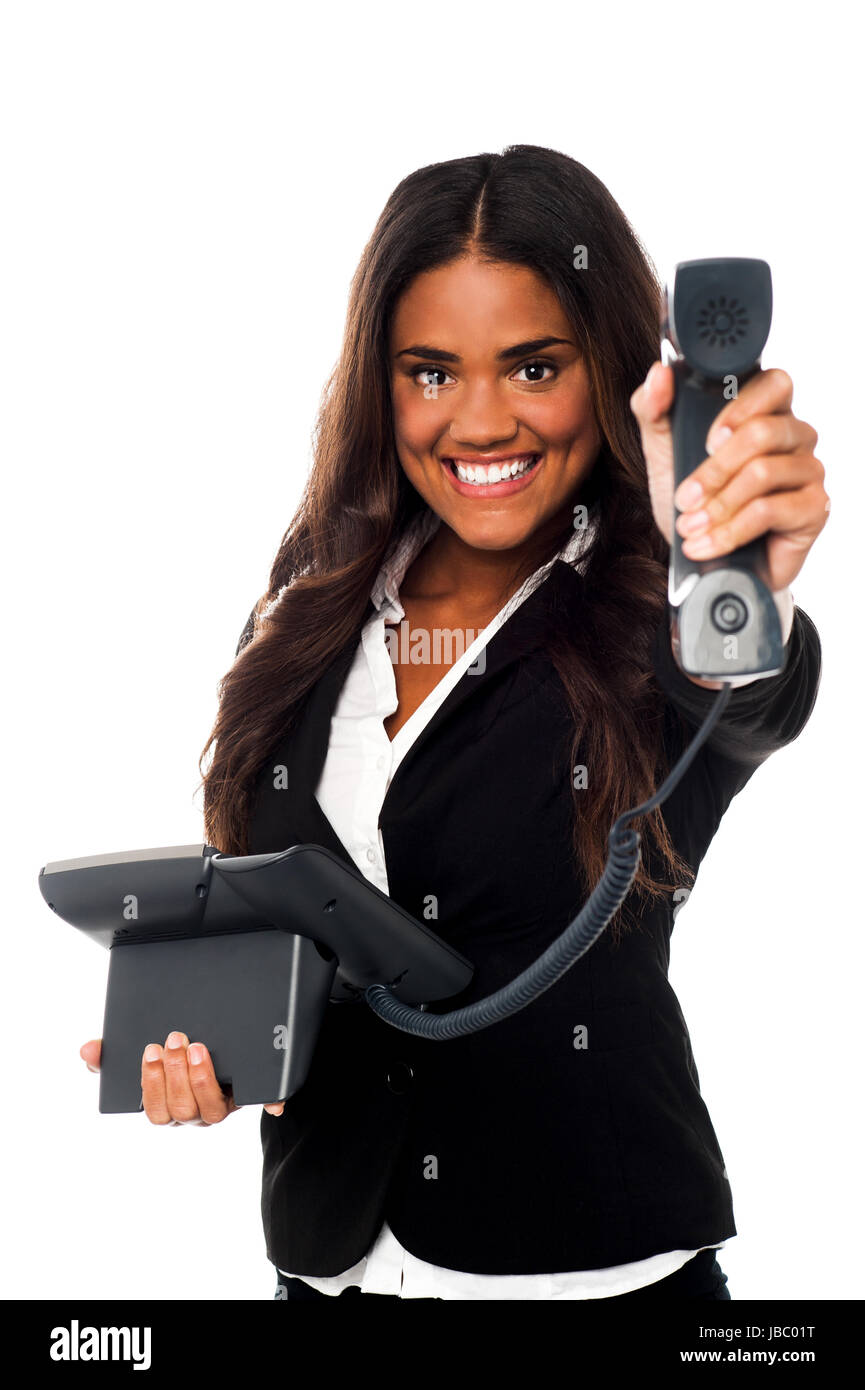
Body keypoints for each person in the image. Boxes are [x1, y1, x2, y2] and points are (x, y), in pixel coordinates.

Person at [80, 145, 827, 1300]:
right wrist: (222, 1047)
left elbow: (741, 700)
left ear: (614, 370)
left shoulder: (661, 614)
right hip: (328, 1273)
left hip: (589, 1284)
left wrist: (735, 576)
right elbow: (305, 924)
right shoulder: (313, 606)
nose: (477, 422)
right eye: (430, 372)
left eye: (533, 367)